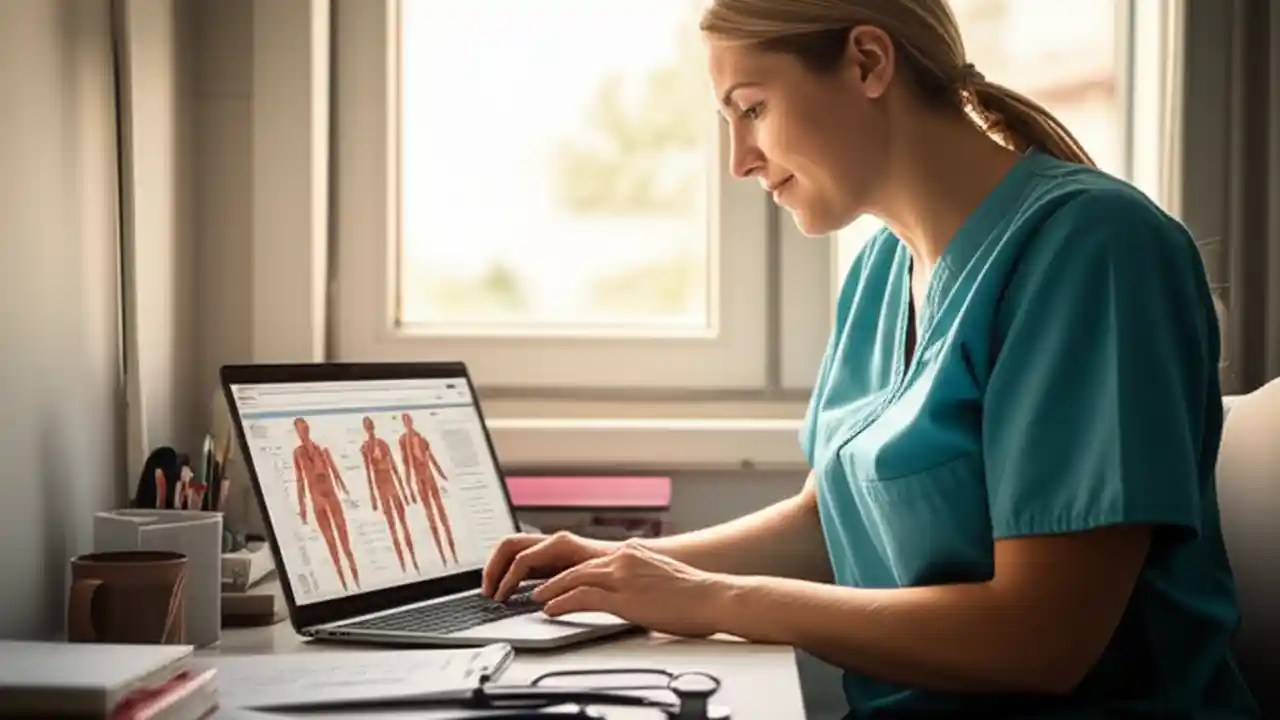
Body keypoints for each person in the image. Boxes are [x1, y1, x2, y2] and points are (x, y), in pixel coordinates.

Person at [481, 1, 1259, 717]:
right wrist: (619, 567)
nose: (739, 161)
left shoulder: (1097, 250)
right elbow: (830, 525)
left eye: (752, 108)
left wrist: (715, 599)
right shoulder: (882, 270)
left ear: (866, 63)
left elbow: (1043, 638)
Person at [293, 417, 361, 591]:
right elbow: (299, 480)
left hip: (331, 496)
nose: (304, 431)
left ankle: (358, 583)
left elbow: (335, 472)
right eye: (301, 428)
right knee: (331, 542)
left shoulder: (322, 450)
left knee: (344, 541)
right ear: (297, 432)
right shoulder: (298, 453)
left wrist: (346, 491)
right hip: (317, 499)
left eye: (306, 427)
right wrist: (302, 507)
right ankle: (344, 585)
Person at [361, 415, 420, 575]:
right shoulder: (365, 447)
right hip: (381, 486)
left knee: (403, 523)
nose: (370, 427)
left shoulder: (383, 444)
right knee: (392, 526)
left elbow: (394, 467)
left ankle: (414, 561)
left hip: (391, 484)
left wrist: (404, 492)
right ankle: (403, 566)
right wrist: (372, 495)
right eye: (367, 425)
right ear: (365, 428)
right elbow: (369, 472)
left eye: (371, 424)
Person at [400, 412, 460, 566]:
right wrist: (408, 486)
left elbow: (431, 458)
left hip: (429, 476)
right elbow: (406, 464)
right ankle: (442, 556)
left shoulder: (421, 438)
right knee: (430, 516)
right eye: (405, 420)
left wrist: (442, 475)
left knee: (441, 513)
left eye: (409, 419)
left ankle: (454, 554)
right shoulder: (402, 441)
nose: (408, 422)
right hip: (419, 478)